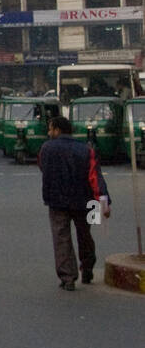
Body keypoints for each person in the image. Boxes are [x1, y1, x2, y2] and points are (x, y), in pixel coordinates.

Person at [39, 115, 111, 290]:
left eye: (50, 129)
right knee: (85, 235)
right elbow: (95, 177)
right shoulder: (85, 150)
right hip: (84, 201)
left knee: (61, 238)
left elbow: (42, 167)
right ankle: (87, 268)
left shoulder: (46, 148)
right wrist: (104, 200)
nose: (49, 132)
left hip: (56, 201)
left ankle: (68, 277)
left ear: (57, 130)